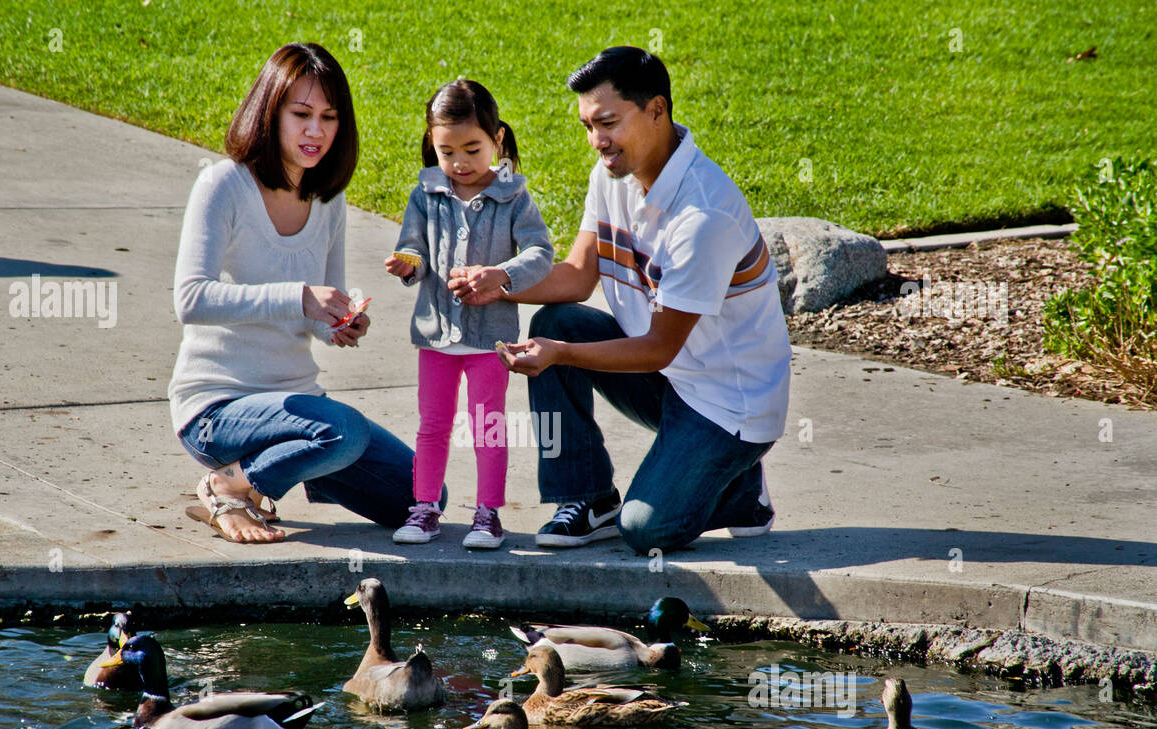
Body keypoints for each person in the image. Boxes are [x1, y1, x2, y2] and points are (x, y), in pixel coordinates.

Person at [473, 47, 791, 554]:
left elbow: (658, 348)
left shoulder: (702, 216)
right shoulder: (610, 177)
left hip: (730, 404)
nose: (597, 141)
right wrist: (498, 281)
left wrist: (560, 354)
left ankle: (738, 488)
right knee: (558, 321)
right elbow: (577, 277)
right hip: (671, 378)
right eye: (587, 126)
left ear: (657, 111)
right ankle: (588, 499)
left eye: (608, 123)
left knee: (647, 529)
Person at [168, 43, 444, 543]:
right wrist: (299, 297)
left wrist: (338, 320)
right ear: (270, 113)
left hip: (297, 403)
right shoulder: (223, 184)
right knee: (345, 429)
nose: (315, 131)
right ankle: (227, 486)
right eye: (301, 114)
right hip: (216, 408)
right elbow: (191, 299)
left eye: (329, 117)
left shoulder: (328, 197)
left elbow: (318, 309)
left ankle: (270, 473)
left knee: (426, 498)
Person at [384, 79, 553, 549]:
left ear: (498, 139)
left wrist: (501, 273)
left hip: (489, 339)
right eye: (447, 151)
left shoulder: (514, 197)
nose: (460, 162)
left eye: (473, 148)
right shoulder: (425, 195)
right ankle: (424, 509)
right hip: (435, 338)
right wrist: (409, 264)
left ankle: (487, 514)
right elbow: (413, 246)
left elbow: (541, 252)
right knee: (432, 425)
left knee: (487, 425)